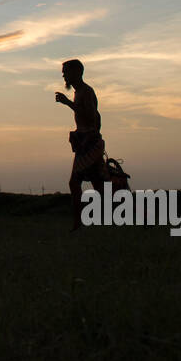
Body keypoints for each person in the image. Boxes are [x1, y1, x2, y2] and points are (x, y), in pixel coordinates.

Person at [55, 58, 105, 231]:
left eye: (66, 72)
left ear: (76, 72)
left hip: (89, 144)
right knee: (100, 185)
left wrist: (68, 103)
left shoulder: (86, 92)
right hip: (86, 142)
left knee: (75, 183)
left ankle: (79, 223)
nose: (63, 75)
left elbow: (92, 117)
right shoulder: (79, 92)